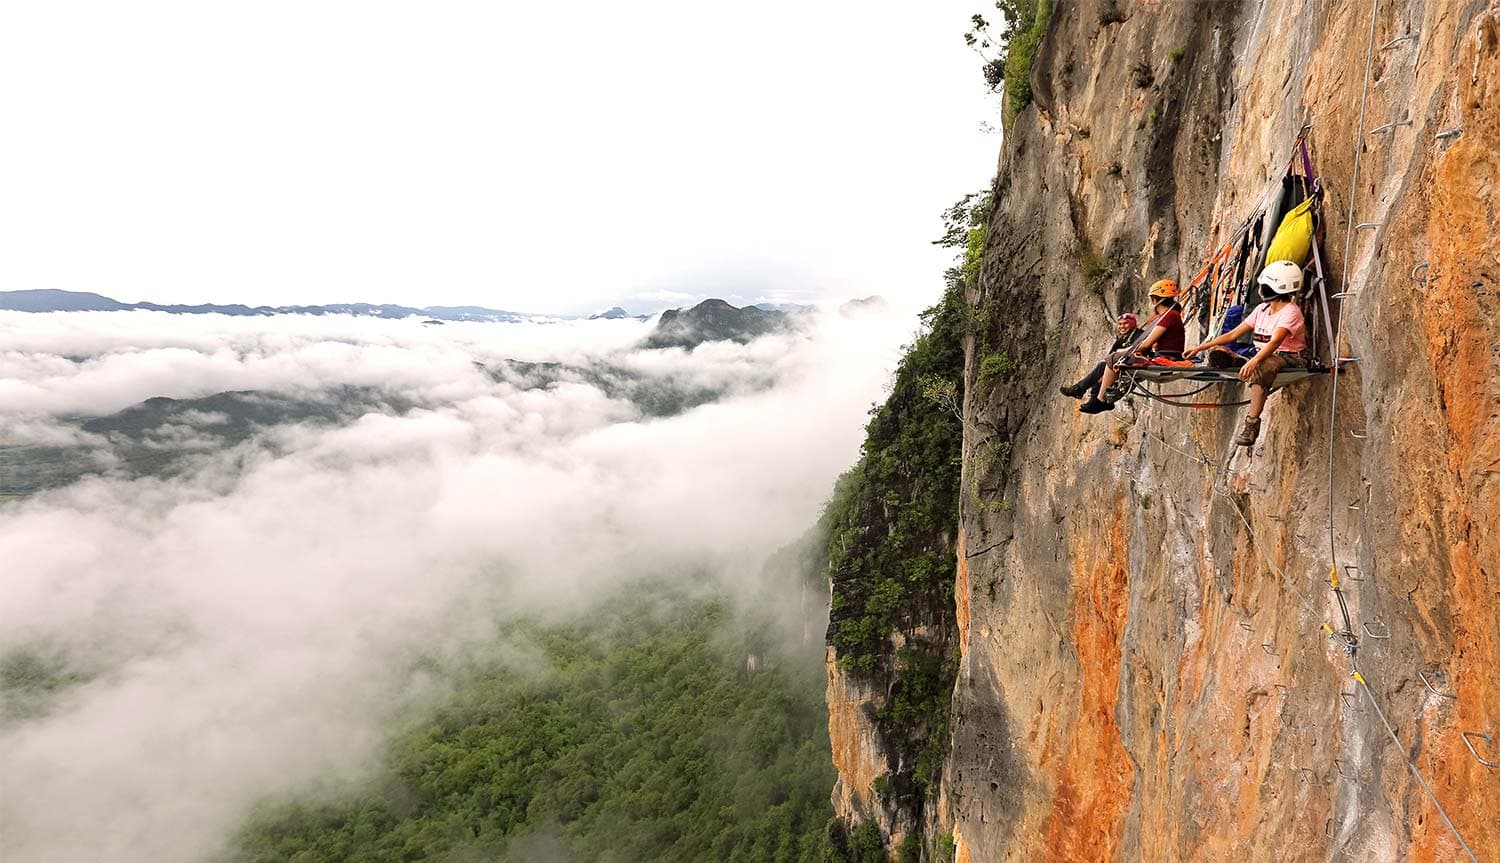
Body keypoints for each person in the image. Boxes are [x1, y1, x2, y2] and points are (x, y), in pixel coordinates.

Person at [1184, 260, 1307, 446]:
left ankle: (1252, 424)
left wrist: (1255, 360)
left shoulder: (1291, 312)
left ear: (1272, 288)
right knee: (1224, 352)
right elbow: (1234, 334)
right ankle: (1237, 360)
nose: (1259, 288)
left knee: (1262, 365)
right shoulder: (1262, 309)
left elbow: (1275, 341)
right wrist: (1201, 347)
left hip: (1289, 357)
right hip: (1261, 353)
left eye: (1263, 285)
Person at [1077, 279, 1186, 414]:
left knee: (1114, 358)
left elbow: (1147, 343)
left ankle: (1100, 400)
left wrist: (1126, 351)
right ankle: (1101, 398)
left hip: (1166, 358)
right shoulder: (1171, 315)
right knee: (1115, 359)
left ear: (1155, 299)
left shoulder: (1169, 316)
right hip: (1166, 356)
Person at [1059, 313, 1141, 402]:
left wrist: (1120, 353)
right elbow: (1109, 356)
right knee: (1101, 367)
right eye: (1120, 324)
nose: (1122, 326)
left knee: (1102, 366)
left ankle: (1079, 389)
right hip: (1119, 365)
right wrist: (1104, 374)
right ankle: (1081, 391)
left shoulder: (1139, 334)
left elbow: (1141, 348)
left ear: (1133, 324)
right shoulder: (1121, 339)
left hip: (1134, 363)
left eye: (1125, 323)